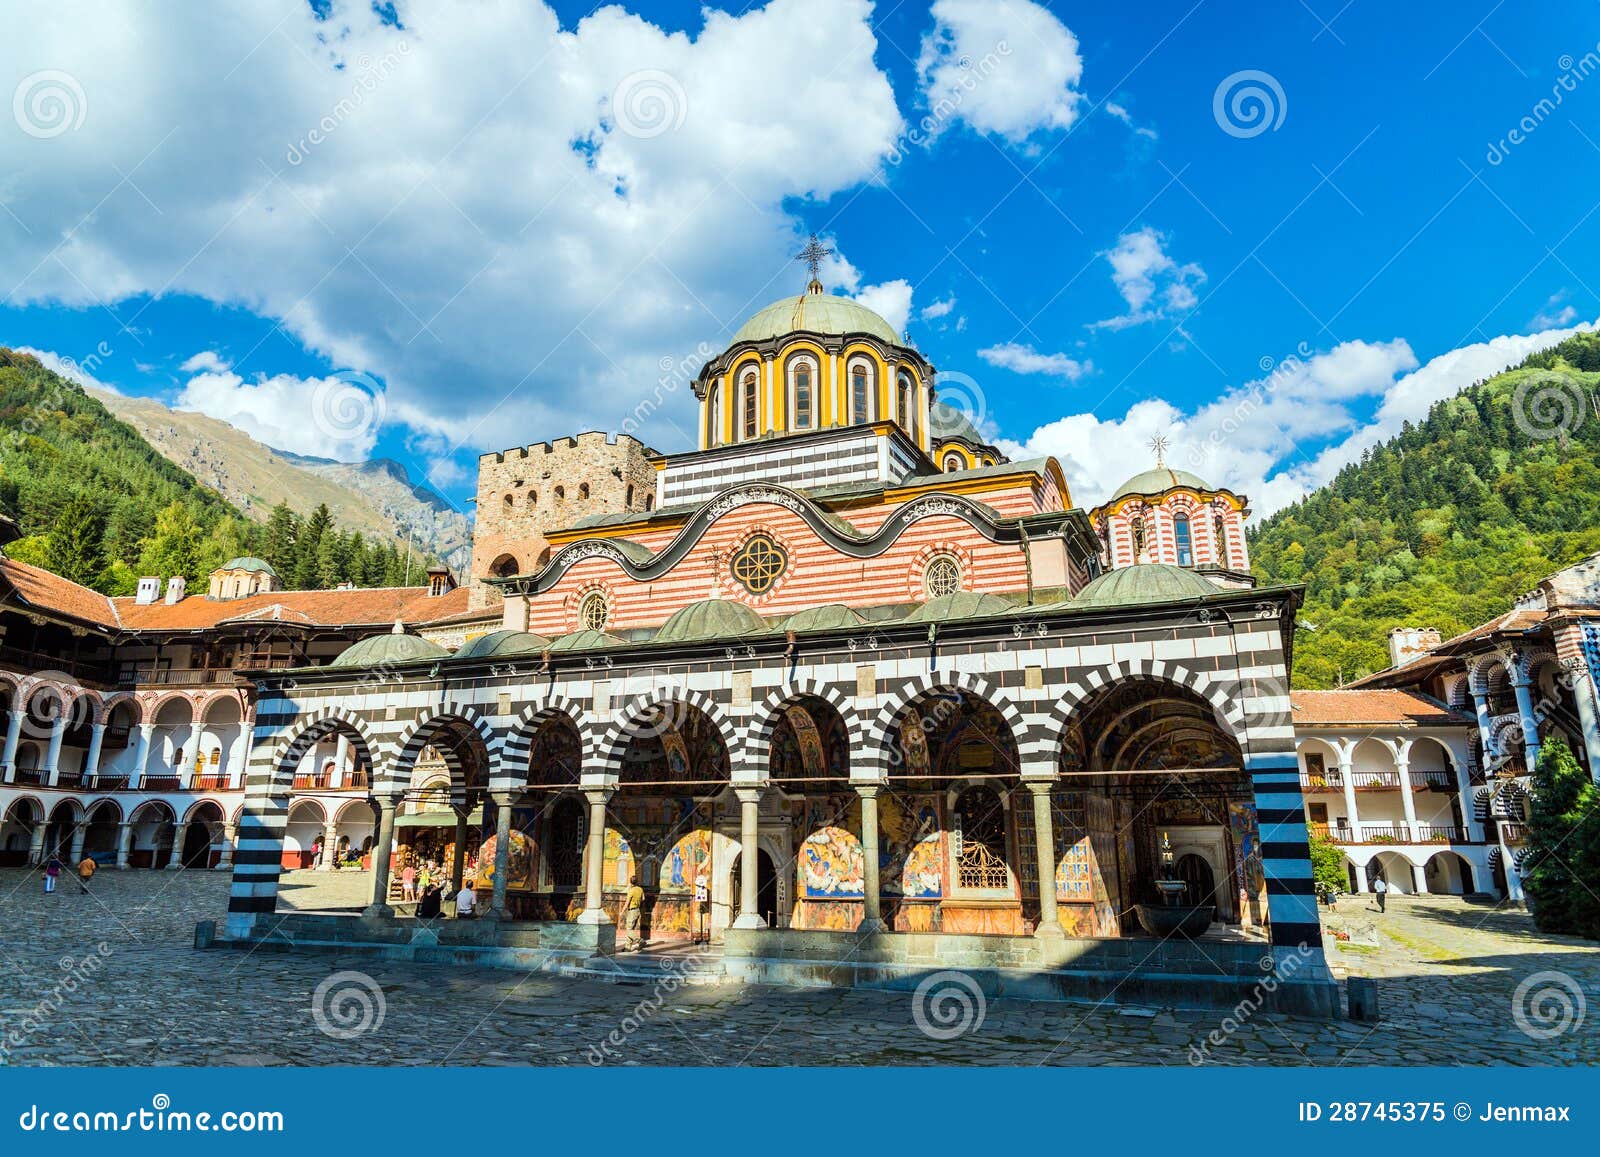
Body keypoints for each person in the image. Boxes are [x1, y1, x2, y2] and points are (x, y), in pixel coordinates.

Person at [624, 875, 645, 951]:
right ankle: (627, 947)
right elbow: (643, 898)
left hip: (632, 911)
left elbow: (627, 903)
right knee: (631, 929)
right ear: (637, 882)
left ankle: (639, 940)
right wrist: (637, 902)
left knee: (629, 930)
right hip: (637, 910)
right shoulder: (640, 889)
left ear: (630, 882)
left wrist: (622, 911)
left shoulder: (631, 890)